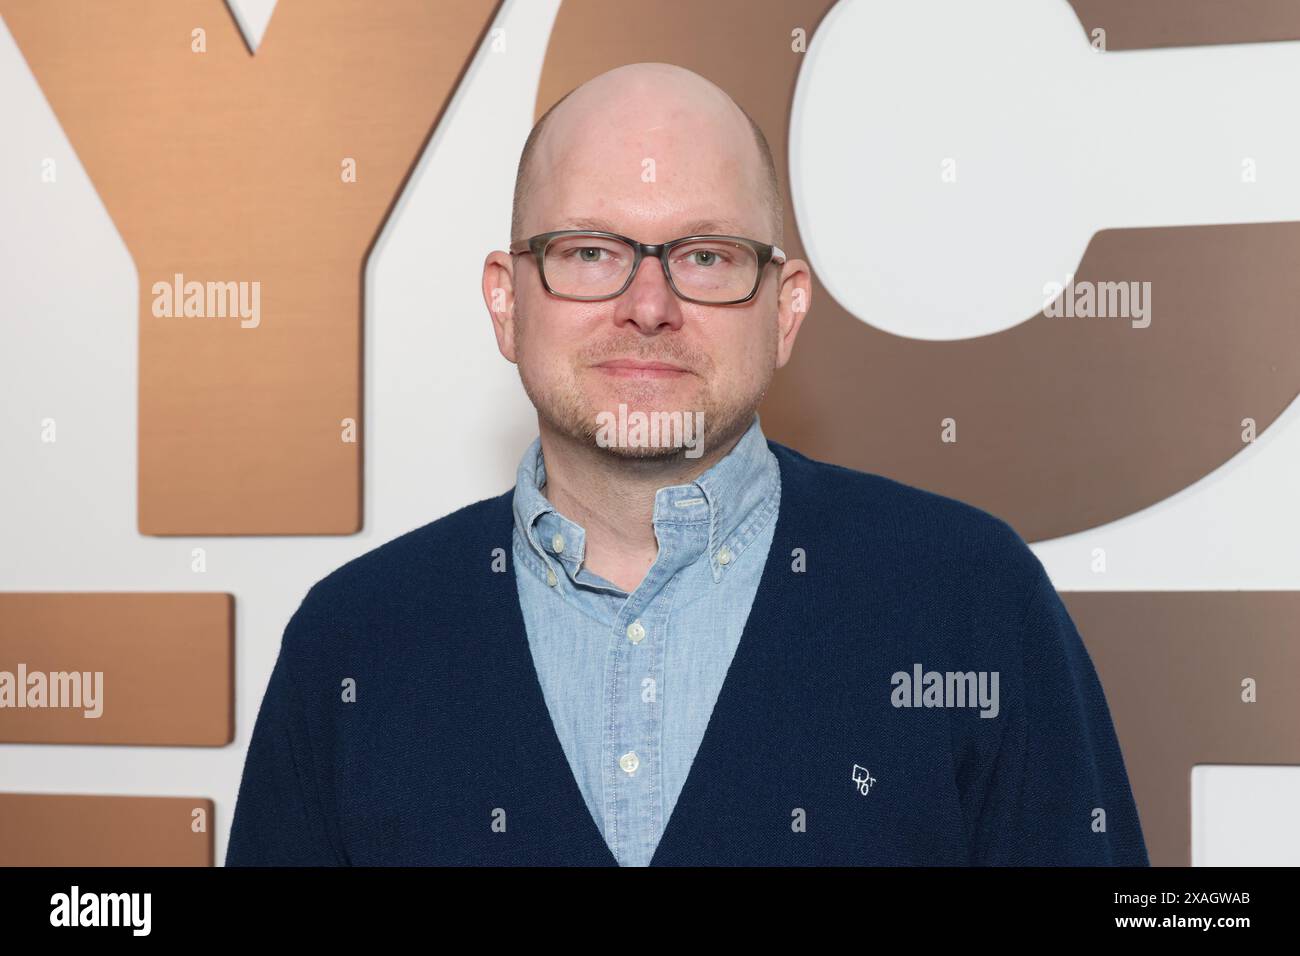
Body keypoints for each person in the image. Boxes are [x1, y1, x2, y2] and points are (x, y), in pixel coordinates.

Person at [226, 62, 1148, 866]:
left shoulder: (972, 601)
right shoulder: (350, 644)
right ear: (506, 304)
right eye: (590, 251)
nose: (650, 305)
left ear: (784, 310)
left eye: (705, 256)